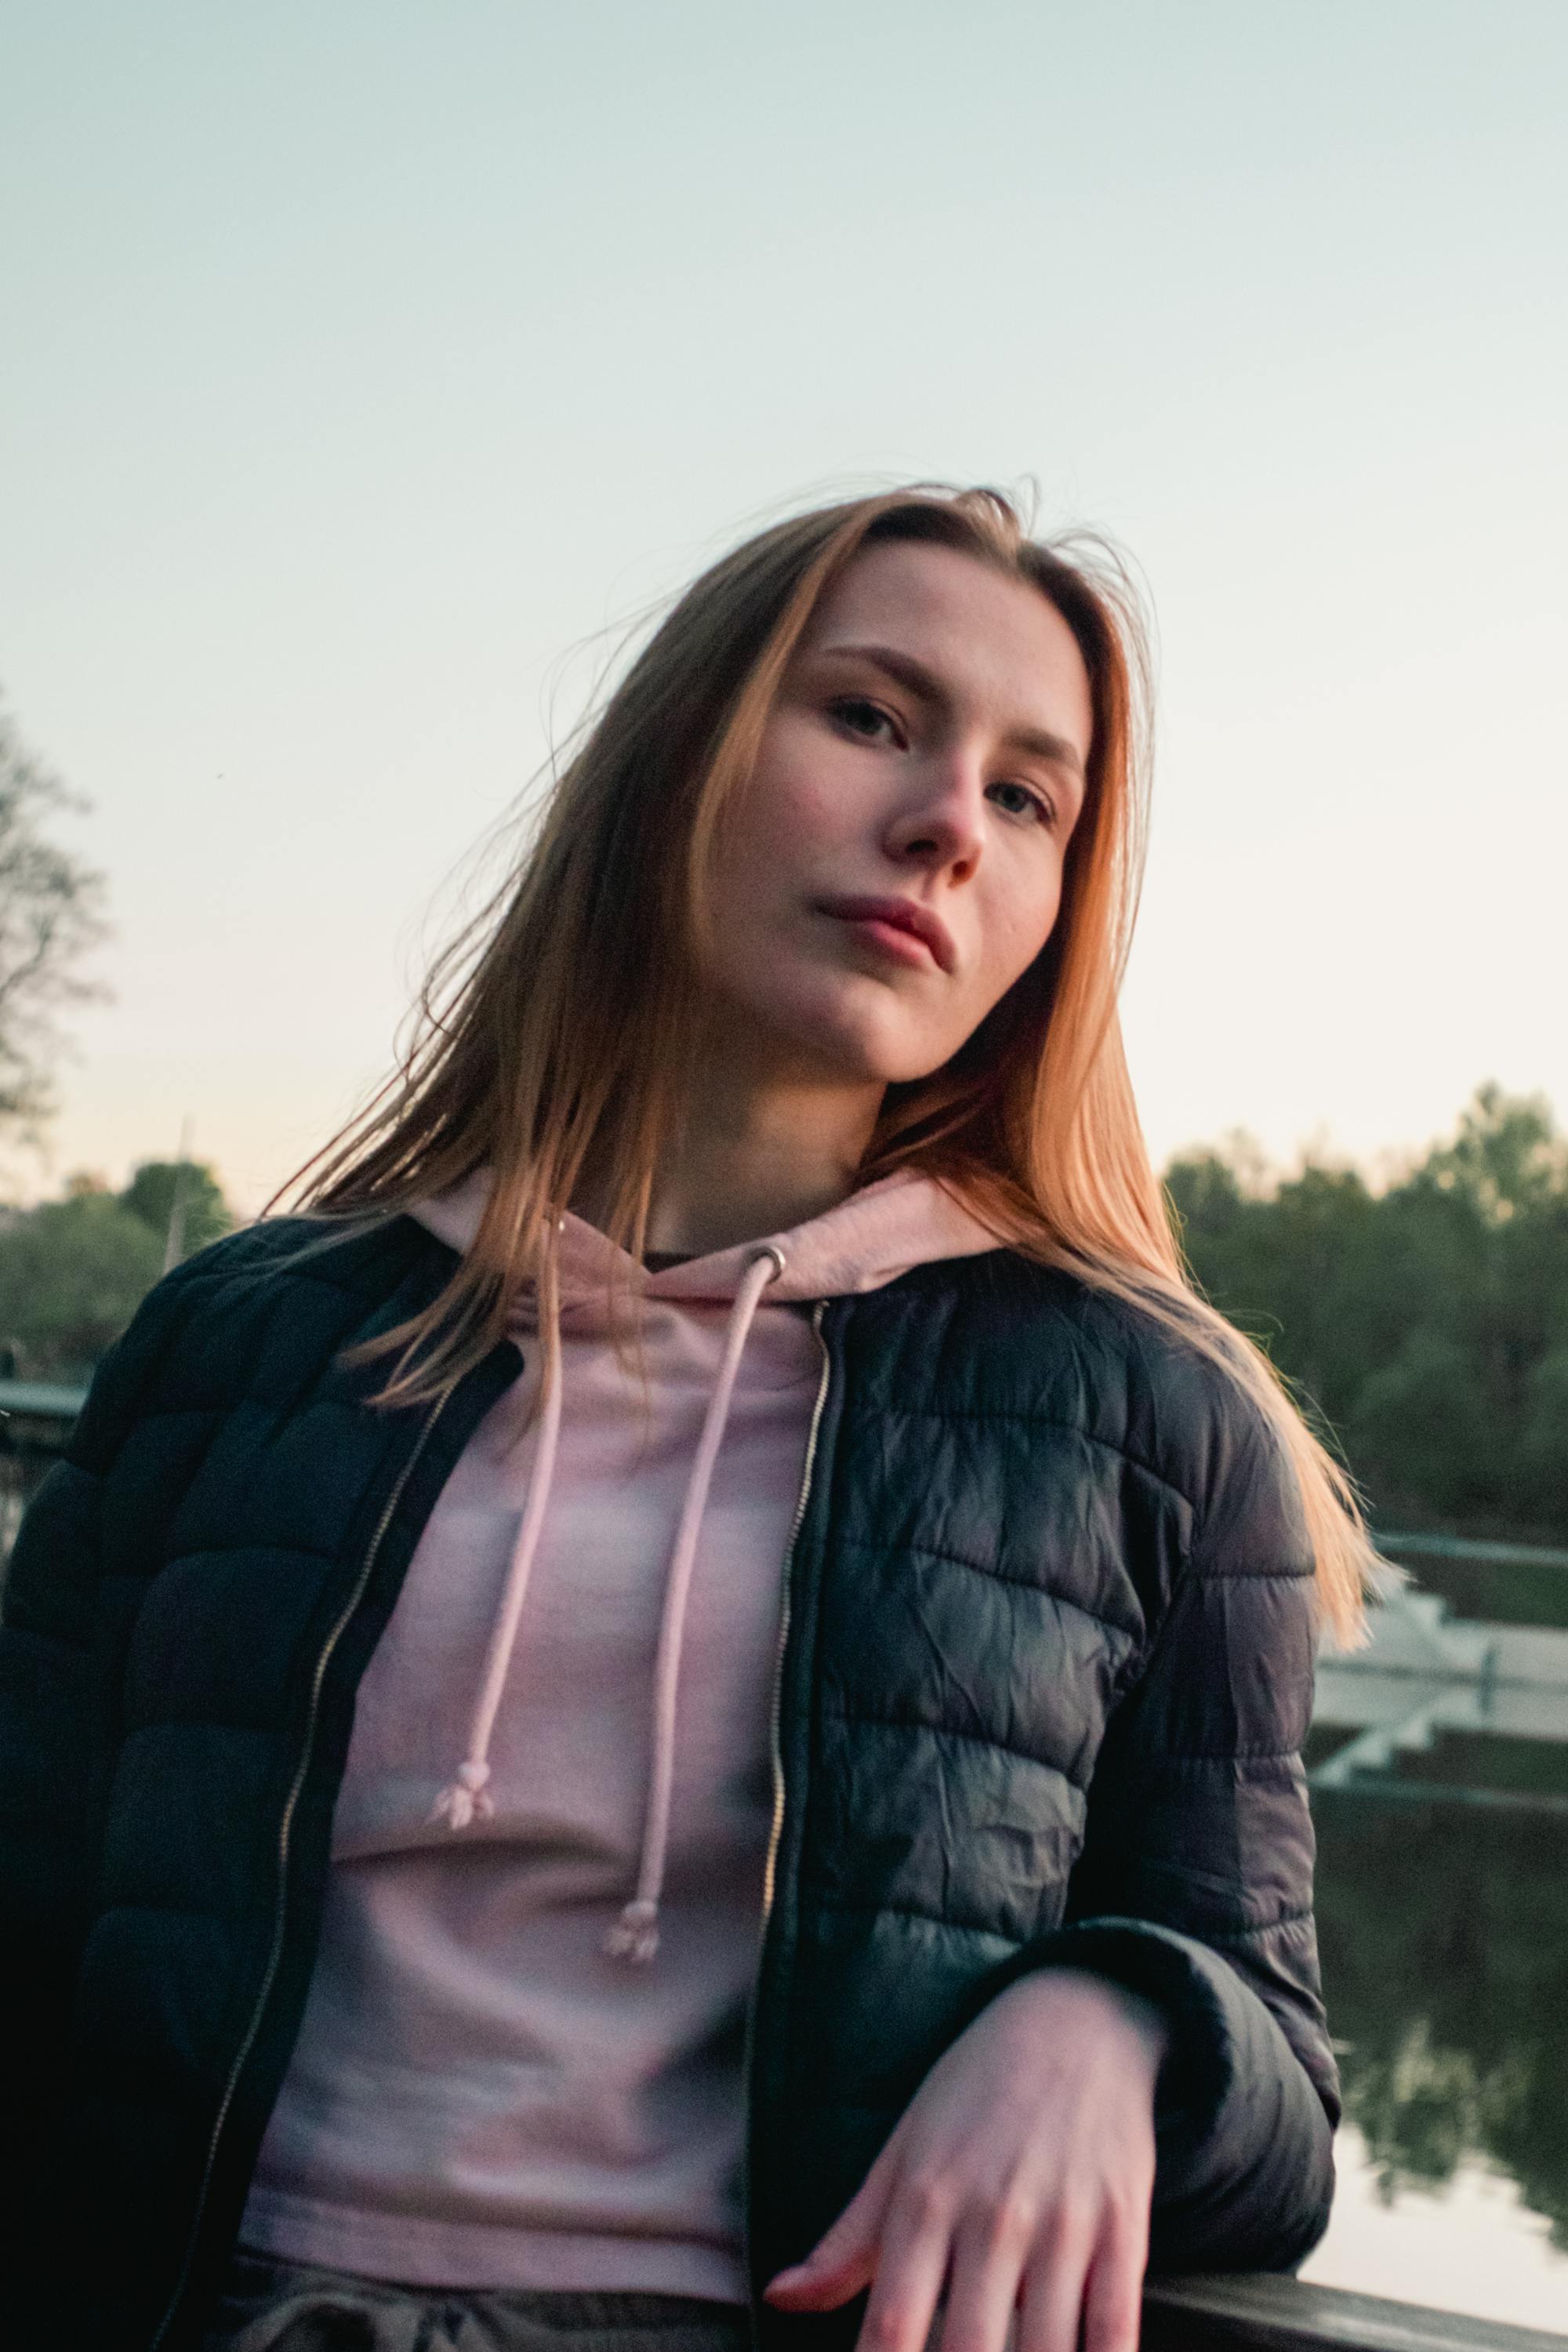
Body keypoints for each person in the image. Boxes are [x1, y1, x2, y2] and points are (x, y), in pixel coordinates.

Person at [0, 487, 1370, 2352]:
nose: (946, 824)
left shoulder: (1152, 1416)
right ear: (673, 763)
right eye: (873, 717)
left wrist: (1123, 2016)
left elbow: (1278, 2098)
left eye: (1029, 796)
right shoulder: (238, 1343)